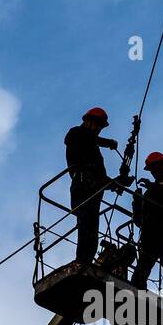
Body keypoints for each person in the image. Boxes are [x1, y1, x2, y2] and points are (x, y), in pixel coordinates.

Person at [63, 107, 119, 264]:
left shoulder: (90, 145)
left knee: (91, 229)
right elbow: (87, 138)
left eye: (100, 126)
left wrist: (114, 184)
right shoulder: (76, 134)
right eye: (97, 125)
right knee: (87, 226)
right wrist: (108, 143)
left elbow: (98, 177)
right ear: (87, 121)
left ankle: (85, 261)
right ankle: (82, 261)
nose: (98, 129)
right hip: (82, 185)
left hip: (92, 187)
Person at [129, 151, 163, 295]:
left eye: (154, 169)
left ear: (162, 166)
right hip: (149, 235)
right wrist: (137, 201)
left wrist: (152, 188)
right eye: (151, 170)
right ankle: (135, 295)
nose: (153, 173)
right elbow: (139, 220)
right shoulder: (150, 192)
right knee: (142, 269)